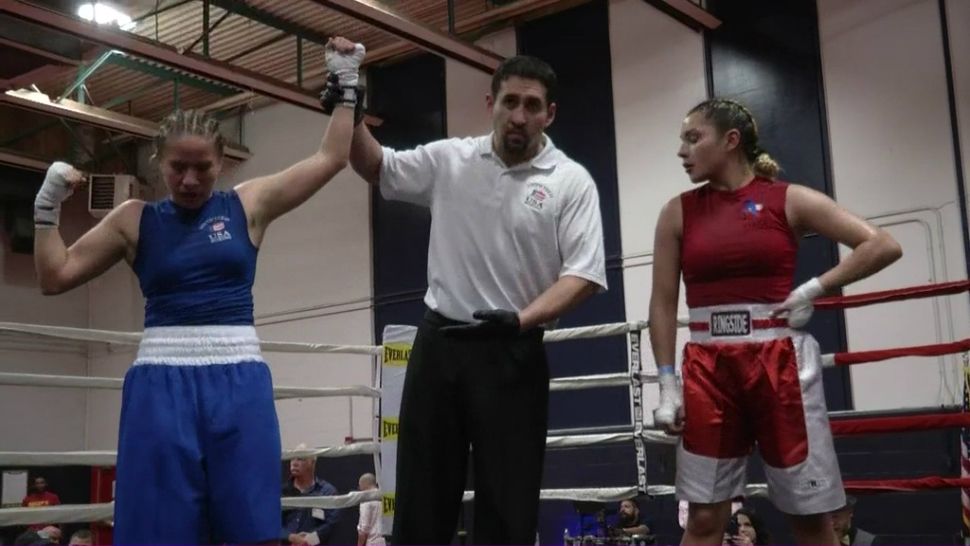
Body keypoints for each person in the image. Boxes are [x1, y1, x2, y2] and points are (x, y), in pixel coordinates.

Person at [32, 38, 365, 544]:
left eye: (202, 168)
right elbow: (54, 276)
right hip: (160, 386)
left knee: (249, 527)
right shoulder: (134, 220)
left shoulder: (247, 205)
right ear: (157, 162)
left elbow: (331, 157)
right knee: (160, 531)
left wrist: (344, 80)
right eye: (177, 168)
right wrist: (46, 207)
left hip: (239, 385)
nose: (189, 180)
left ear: (221, 161)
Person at [347, 54, 607, 544]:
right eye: (510, 102)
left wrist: (520, 320)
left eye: (532, 106)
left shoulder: (569, 181)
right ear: (491, 103)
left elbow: (585, 274)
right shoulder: (452, 160)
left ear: (549, 113)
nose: (519, 115)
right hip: (440, 343)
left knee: (508, 507)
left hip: (513, 350)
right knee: (421, 499)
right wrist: (350, 110)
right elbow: (375, 166)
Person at [648, 98, 902, 545]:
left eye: (693, 137)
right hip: (707, 370)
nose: (681, 151)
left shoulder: (787, 199)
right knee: (704, 519)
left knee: (809, 518)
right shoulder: (677, 211)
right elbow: (663, 302)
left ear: (730, 141)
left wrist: (813, 289)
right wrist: (667, 383)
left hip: (779, 364)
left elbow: (881, 244)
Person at [281, 447, 342, 545]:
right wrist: (291, 537)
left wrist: (309, 540)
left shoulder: (327, 492)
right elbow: (271, 523)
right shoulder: (281, 492)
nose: (294, 463)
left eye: (300, 459)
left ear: (312, 463)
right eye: (292, 458)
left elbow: (332, 523)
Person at [356, 473, 384, 546]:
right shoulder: (387, 496)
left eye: (359, 486)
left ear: (363, 485)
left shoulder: (366, 499)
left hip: (373, 542)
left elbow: (364, 528)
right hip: (387, 541)